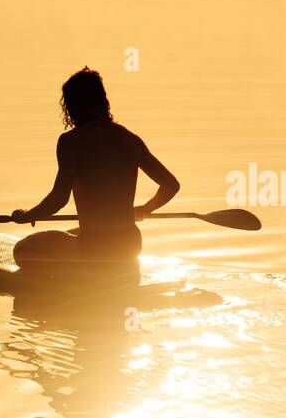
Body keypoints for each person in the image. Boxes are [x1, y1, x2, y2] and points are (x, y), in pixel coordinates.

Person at [11, 68, 180, 269]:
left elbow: (59, 199)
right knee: (74, 231)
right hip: (130, 245)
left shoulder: (70, 142)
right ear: (102, 101)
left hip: (94, 247)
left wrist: (27, 215)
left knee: (22, 250)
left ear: (73, 106)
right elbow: (171, 185)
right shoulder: (130, 139)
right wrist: (145, 209)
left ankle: (64, 283)